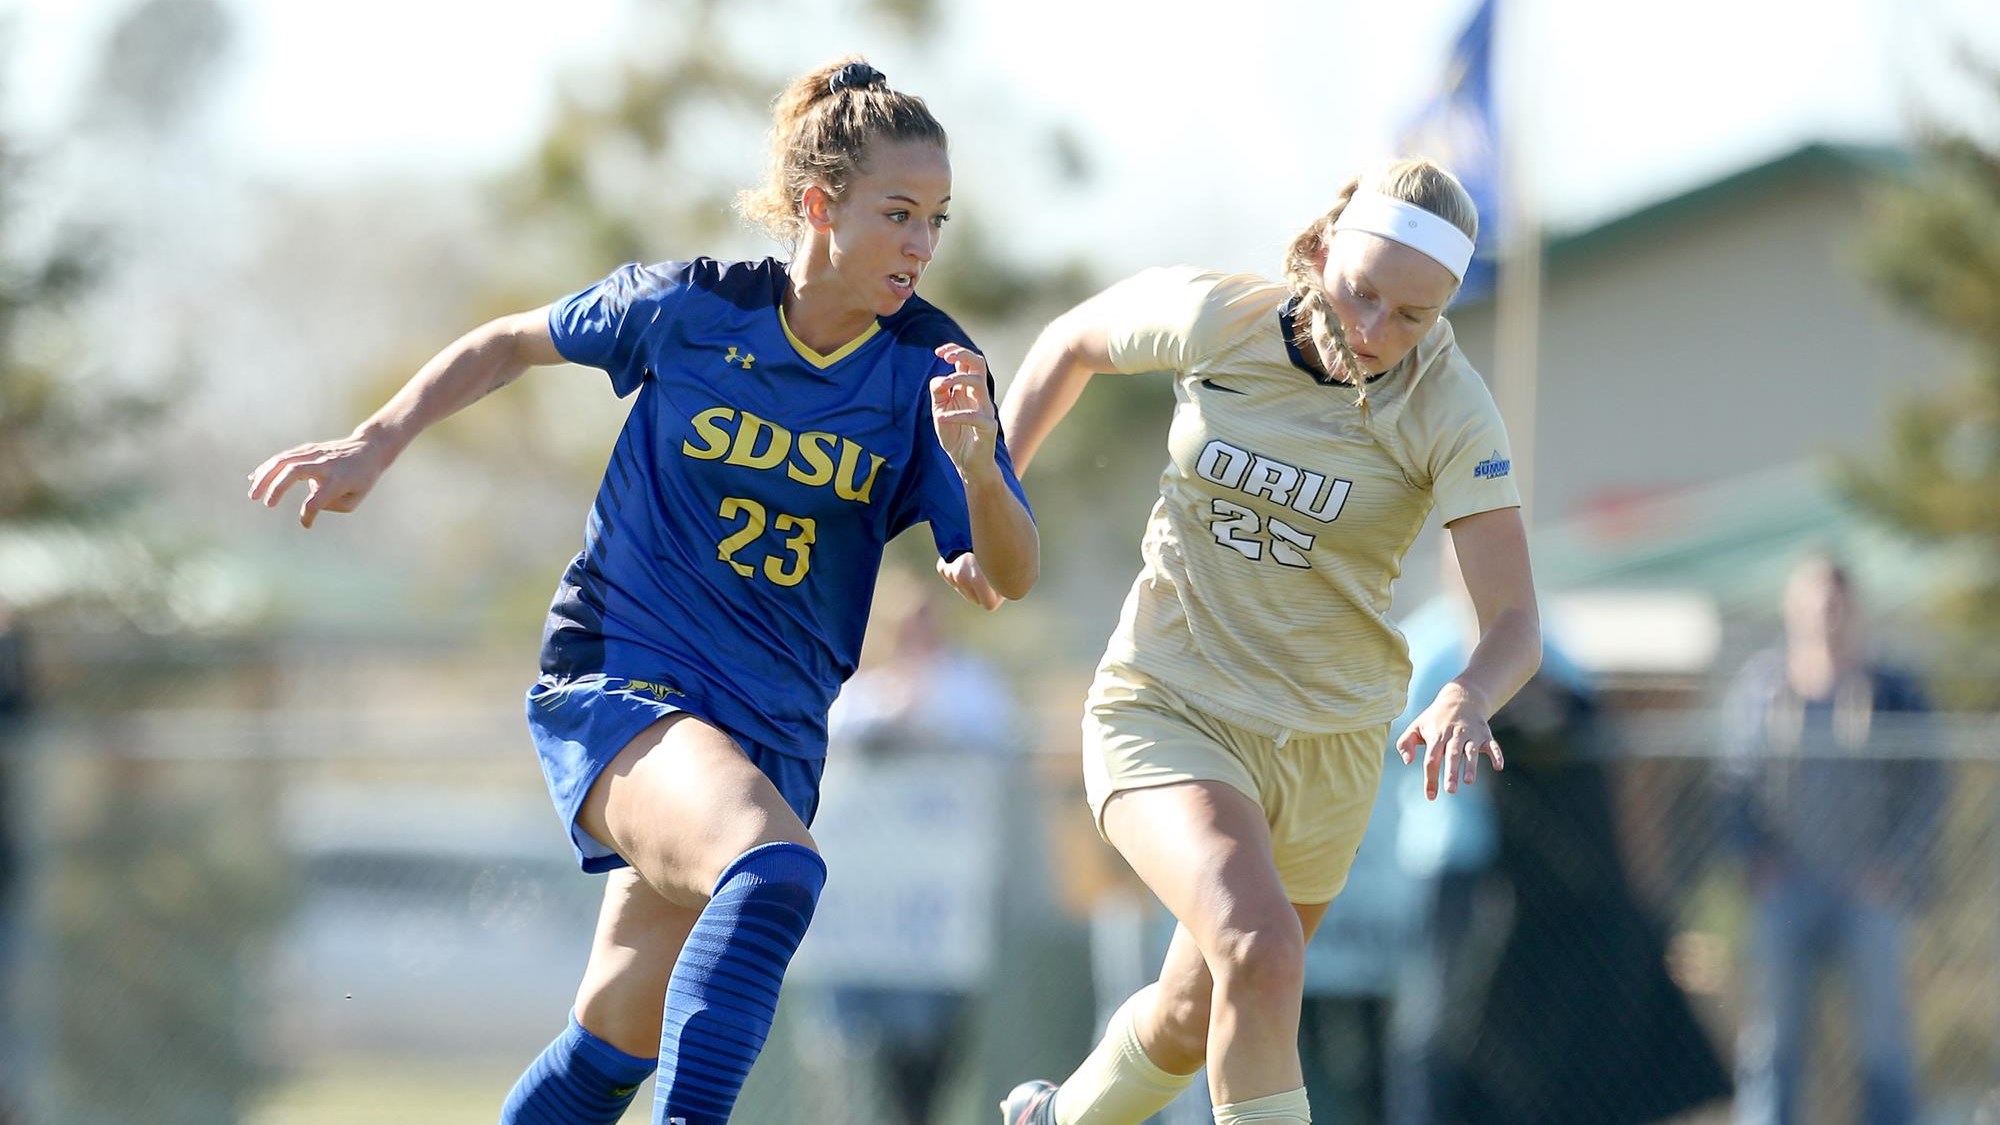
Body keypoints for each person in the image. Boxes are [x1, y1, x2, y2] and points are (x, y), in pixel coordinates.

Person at [247, 56, 1037, 1125]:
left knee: (610, 1042)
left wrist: (980, 472)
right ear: (818, 206)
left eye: (936, 220)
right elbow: (508, 342)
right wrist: (378, 439)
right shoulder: (693, 308)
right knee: (774, 872)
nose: (921, 244)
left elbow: (1008, 573)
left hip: (773, 729)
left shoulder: (932, 366)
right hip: (625, 683)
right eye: (898, 214)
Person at [995, 158, 1542, 1125]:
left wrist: (1468, 692)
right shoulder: (1221, 318)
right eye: (1361, 292)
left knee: (1191, 1011)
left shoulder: (1451, 406)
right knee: (1261, 947)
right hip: (1169, 704)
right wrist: (989, 497)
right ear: (1323, 247)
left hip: (1330, 748)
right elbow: (1069, 342)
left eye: (1411, 316)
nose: (1373, 330)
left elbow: (1515, 623)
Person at [1719, 552, 1943, 1125]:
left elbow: (1928, 785)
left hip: (1867, 890)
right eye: (1816, 604)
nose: (1827, 616)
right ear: (1792, 609)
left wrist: (1895, 863)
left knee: (1883, 1036)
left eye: (1837, 605)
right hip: (1786, 888)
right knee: (1772, 1037)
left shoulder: (1892, 692)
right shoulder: (1763, 690)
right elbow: (1733, 782)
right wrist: (1754, 859)